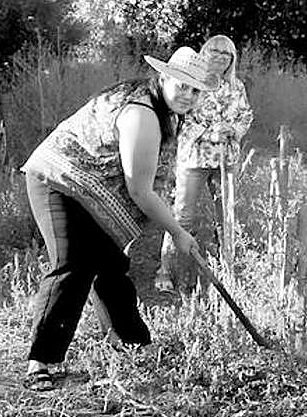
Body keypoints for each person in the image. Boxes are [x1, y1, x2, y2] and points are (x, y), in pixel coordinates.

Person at [20, 47, 219, 391]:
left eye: (195, 90)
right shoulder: (142, 114)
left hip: (90, 189)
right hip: (58, 180)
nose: (188, 94)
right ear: (164, 78)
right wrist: (178, 232)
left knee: (110, 265)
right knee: (73, 265)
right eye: (181, 85)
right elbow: (140, 189)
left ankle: (132, 344)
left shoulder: (163, 110)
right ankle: (42, 361)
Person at [156, 35, 253, 292]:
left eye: (227, 53)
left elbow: (246, 115)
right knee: (183, 216)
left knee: (227, 216)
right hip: (195, 157)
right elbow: (183, 120)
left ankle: (226, 269)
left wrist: (232, 129)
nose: (221, 56)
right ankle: (166, 270)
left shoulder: (237, 86)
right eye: (216, 51)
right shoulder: (192, 82)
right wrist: (211, 133)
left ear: (232, 59)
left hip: (226, 158)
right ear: (205, 53)